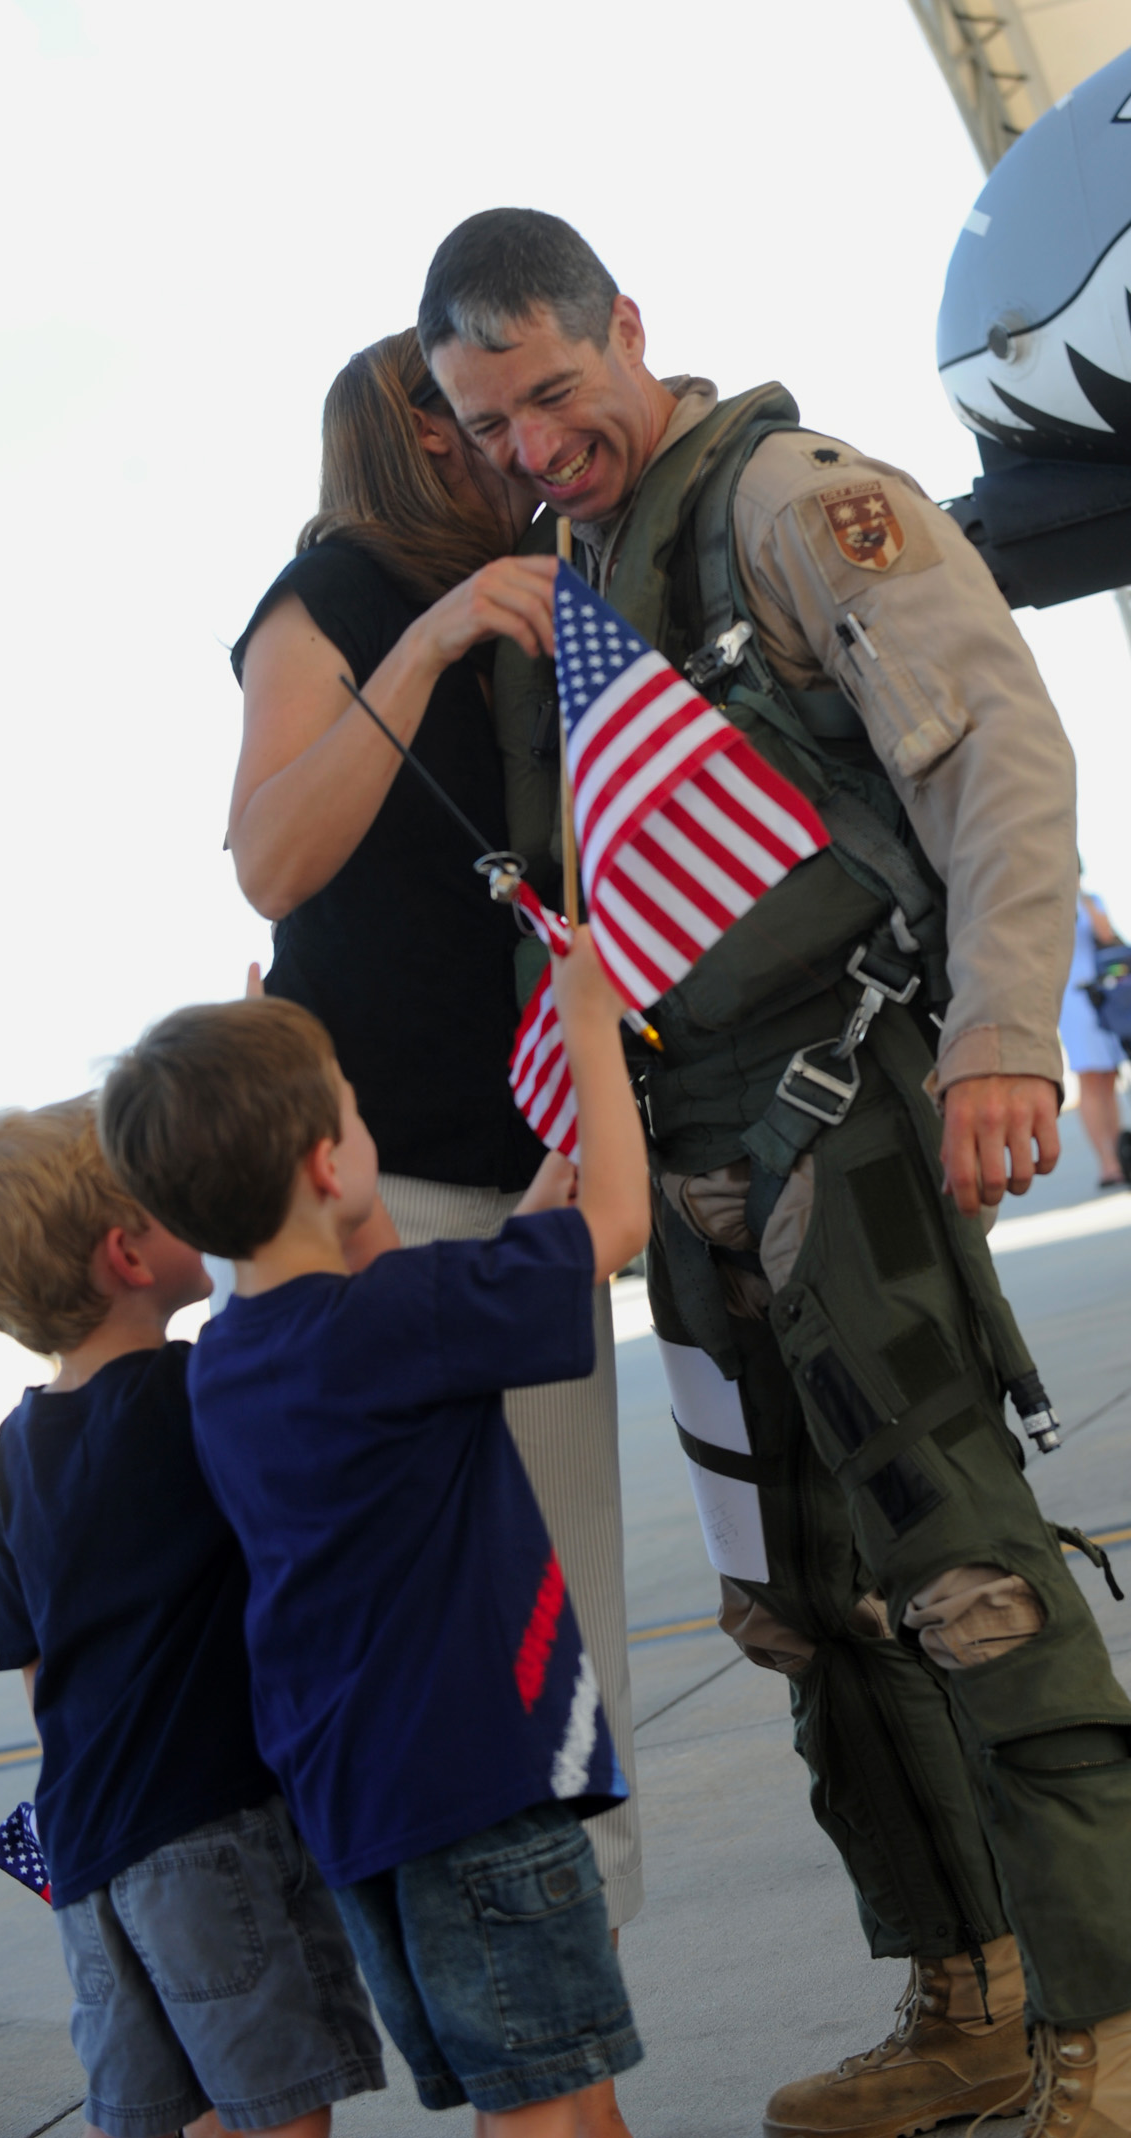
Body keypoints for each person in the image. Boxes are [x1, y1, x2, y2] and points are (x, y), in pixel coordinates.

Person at [419, 209, 1131, 2138]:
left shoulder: (788, 502)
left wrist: (1003, 1034)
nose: (532, 448)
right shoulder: (564, 578)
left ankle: (1102, 2045)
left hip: (845, 1109)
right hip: (681, 1154)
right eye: (489, 426)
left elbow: (993, 747)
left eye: (552, 394)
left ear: (628, 326)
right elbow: (579, 900)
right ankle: (966, 1993)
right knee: (799, 1600)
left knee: (965, 1572)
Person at [224, 330, 646, 1993]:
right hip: (374, 1190)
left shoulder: (553, 576)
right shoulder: (327, 596)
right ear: (411, 430)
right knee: (410, 1607)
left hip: (522, 1164)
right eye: (474, 418)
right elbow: (270, 860)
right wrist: (425, 641)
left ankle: (575, 1977)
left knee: (563, 1595)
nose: (510, 443)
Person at [97, 933, 651, 2138]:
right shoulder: (404, 1319)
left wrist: (269, 1054)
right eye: (352, 1107)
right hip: (486, 1786)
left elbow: (380, 1288)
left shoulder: (230, 1362)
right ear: (325, 1160)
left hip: (364, 1811)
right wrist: (590, 1028)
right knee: (547, 2108)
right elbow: (618, 1220)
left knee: (540, 2093)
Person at [0, 1098, 384, 2138]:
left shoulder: (16, 1449)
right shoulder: (197, 1391)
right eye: (169, 1195)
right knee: (280, 2115)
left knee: (179, 2112)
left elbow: (39, 1674)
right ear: (128, 1254)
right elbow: (335, 1339)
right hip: (213, 1831)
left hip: (86, 1850)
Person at [1059, 871, 1126, 1188]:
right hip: (1071, 997)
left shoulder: (1089, 901)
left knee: (1109, 1076)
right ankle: (1106, 1161)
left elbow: (1106, 935)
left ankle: (1120, 1153)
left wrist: (1081, 895)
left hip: (1100, 993)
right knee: (1090, 1077)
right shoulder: (1048, 901)